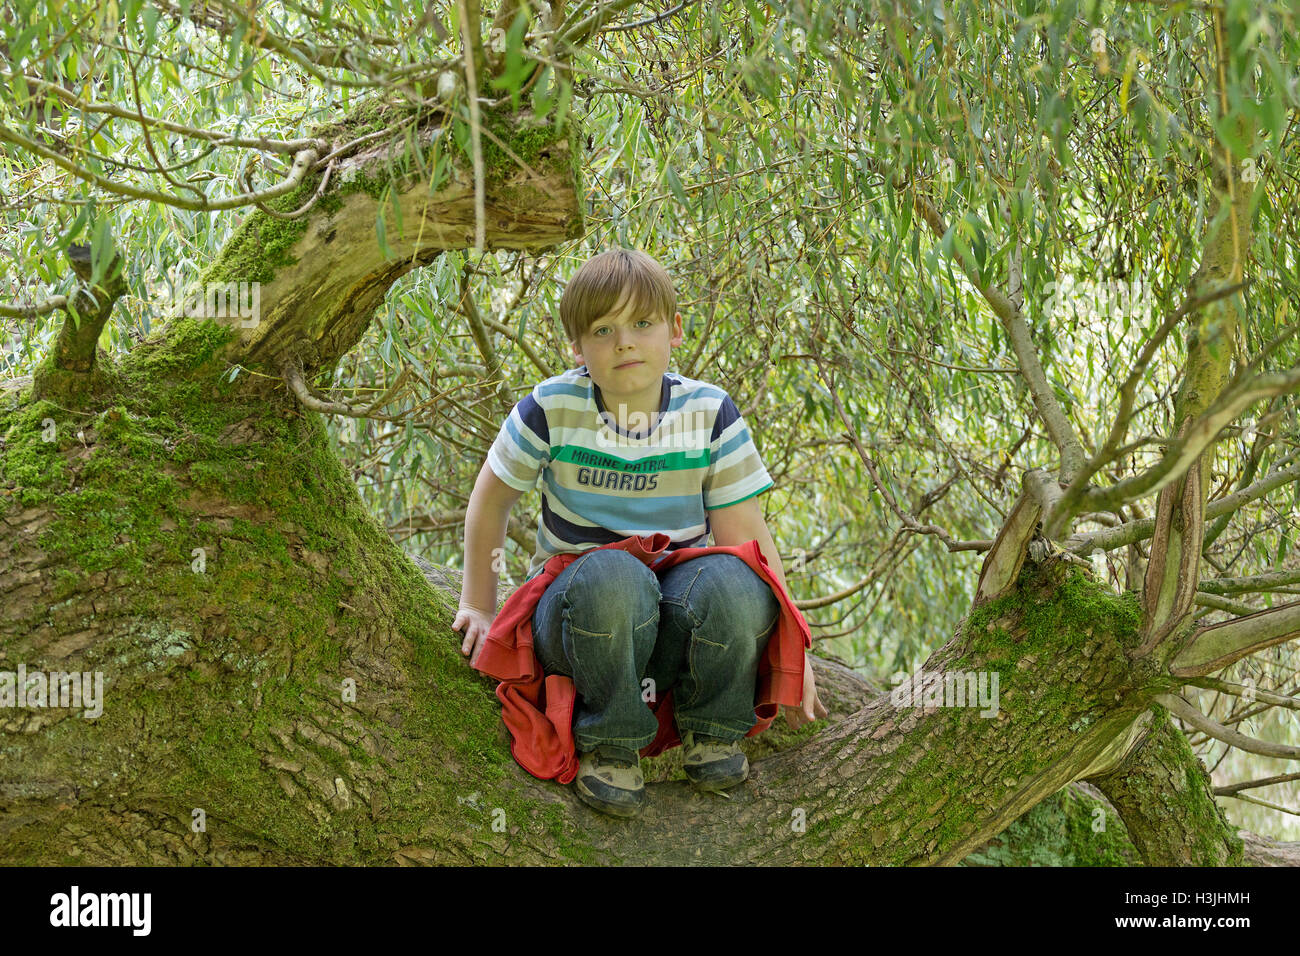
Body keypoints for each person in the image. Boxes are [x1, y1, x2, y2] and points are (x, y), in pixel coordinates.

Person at [453, 247, 826, 817]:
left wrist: (792, 653)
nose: (624, 342)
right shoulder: (550, 409)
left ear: (674, 330)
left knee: (731, 578)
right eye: (603, 330)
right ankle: (609, 744)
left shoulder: (709, 413)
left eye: (642, 323)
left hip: (674, 625)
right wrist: (478, 605)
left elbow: (746, 539)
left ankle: (713, 730)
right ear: (576, 348)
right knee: (611, 573)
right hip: (582, 619)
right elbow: (490, 502)